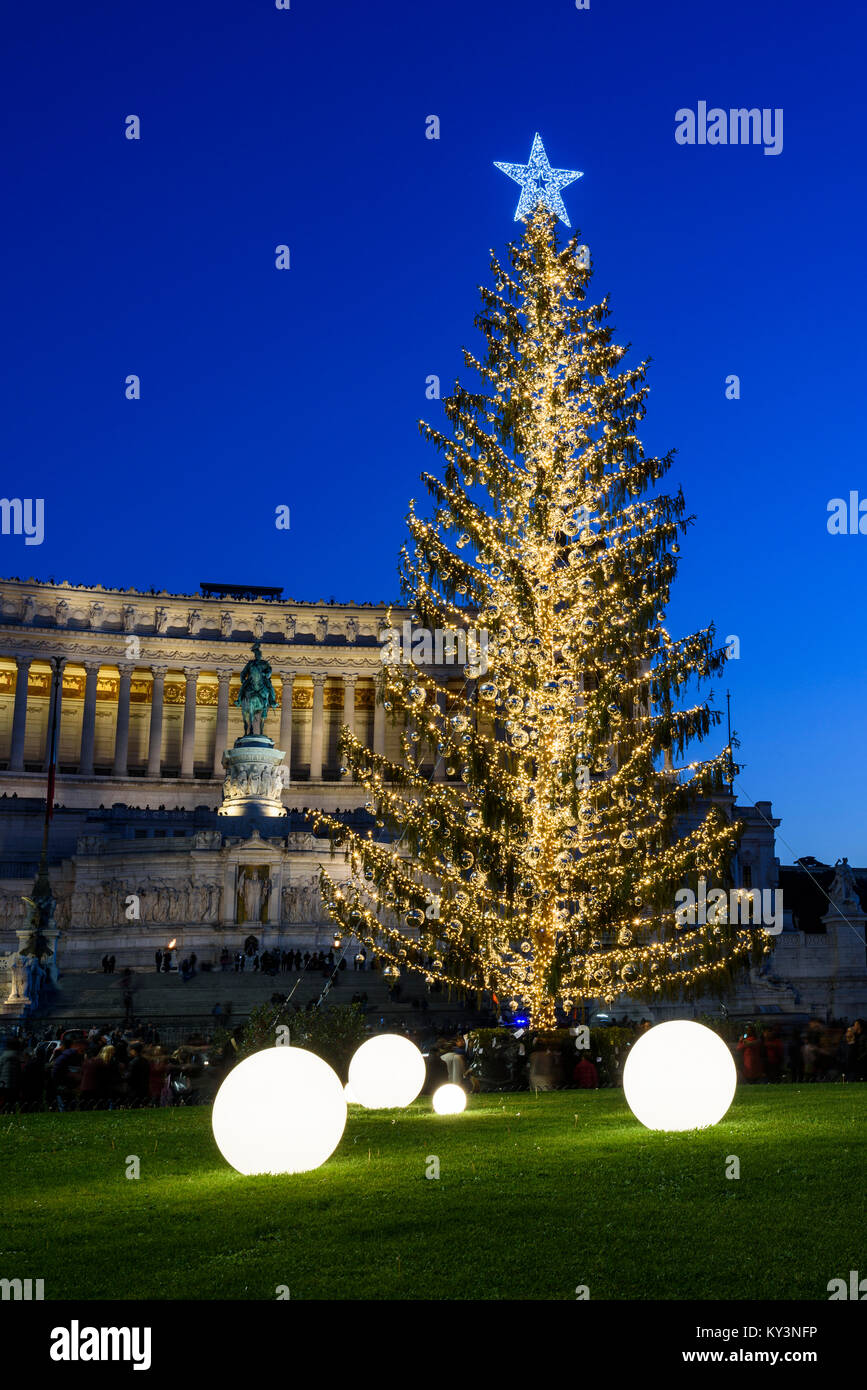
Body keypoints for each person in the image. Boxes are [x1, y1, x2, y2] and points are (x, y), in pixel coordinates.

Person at [0, 1036, 23, 1110]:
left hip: (3, 1084)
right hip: (15, 1084)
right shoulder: (18, 1057)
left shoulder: (3, 1056)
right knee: (12, 1103)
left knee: (4, 1103)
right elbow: (20, 1071)